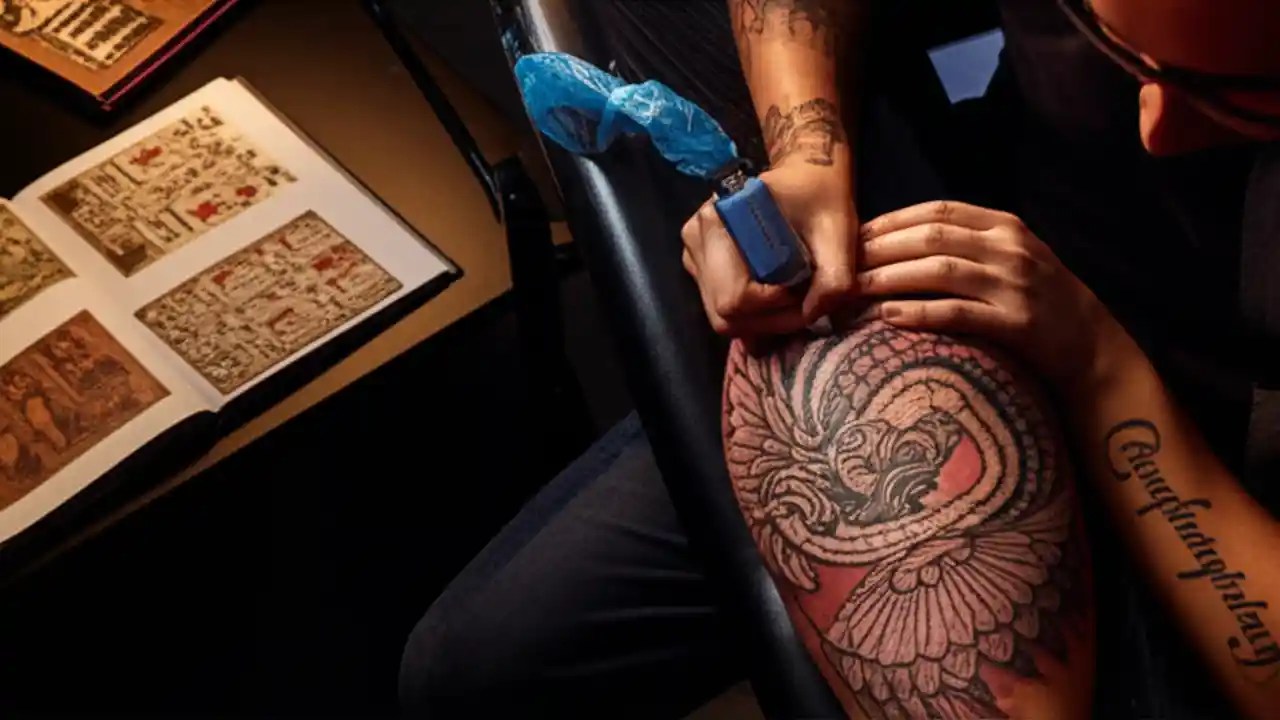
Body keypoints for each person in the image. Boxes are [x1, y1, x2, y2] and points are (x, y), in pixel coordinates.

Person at [400, 0, 1280, 718]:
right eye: (1116, 48)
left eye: (1240, 97)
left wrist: (1099, 367)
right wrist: (809, 153)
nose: (1153, 125)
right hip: (1001, 227)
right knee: (469, 672)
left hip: (1207, 467)